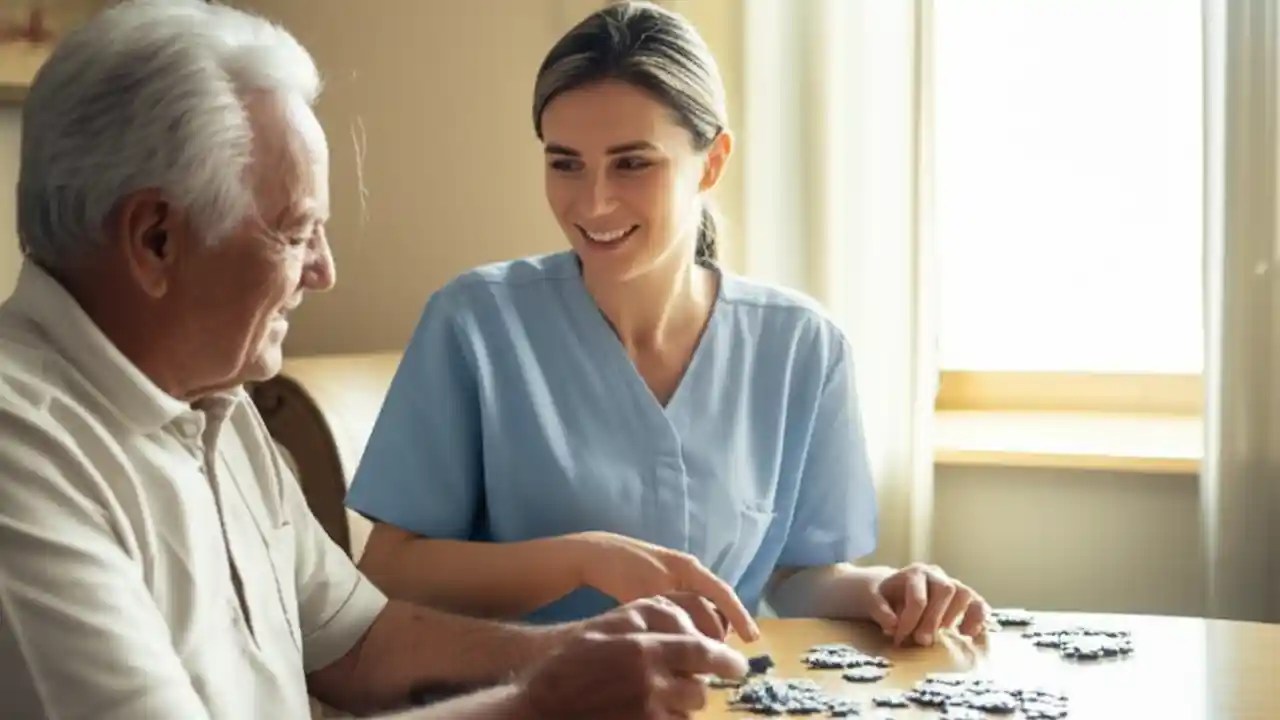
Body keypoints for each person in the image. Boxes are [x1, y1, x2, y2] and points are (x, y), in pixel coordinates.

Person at [0, 1, 748, 718]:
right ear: (155, 240)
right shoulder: (22, 454)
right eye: (296, 233)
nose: (324, 271)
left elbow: (358, 646)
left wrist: (585, 647)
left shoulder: (212, 400)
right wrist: (541, 702)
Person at [348, 0, 991, 650]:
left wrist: (887, 591)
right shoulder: (474, 325)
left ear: (711, 163)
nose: (593, 202)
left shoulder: (802, 347)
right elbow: (390, 569)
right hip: (522, 697)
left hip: (712, 697)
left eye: (633, 163)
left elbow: (798, 575)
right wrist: (585, 558)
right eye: (565, 162)